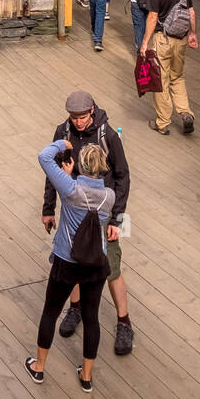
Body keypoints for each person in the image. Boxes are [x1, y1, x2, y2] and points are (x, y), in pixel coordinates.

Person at [41, 90, 133, 354]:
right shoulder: (63, 133)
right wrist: (48, 208)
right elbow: (52, 173)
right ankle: (75, 309)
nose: (78, 122)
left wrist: (117, 218)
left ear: (91, 110)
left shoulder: (109, 136)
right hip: (74, 209)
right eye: (74, 117)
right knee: (73, 258)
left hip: (103, 214)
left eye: (82, 117)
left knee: (111, 266)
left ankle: (124, 322)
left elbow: (122, 176)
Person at [27, 139, 114, 392]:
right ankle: (86, 376)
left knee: (51, 312)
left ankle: (39, 367)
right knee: (91, 318)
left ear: (81, 165)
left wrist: (61, 143)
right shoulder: (109, 197)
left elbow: (44, 157)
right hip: (96, 264)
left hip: (67, 262)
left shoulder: (71, 189)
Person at [139, 0, 198, 136]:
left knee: (160, 80)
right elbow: (191, 12)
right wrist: (192, 33)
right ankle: (185, 112)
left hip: (162, 39)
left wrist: (144, 43)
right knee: (177, 77)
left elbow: (153, 17)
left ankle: (163, 123)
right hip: (180, 39)